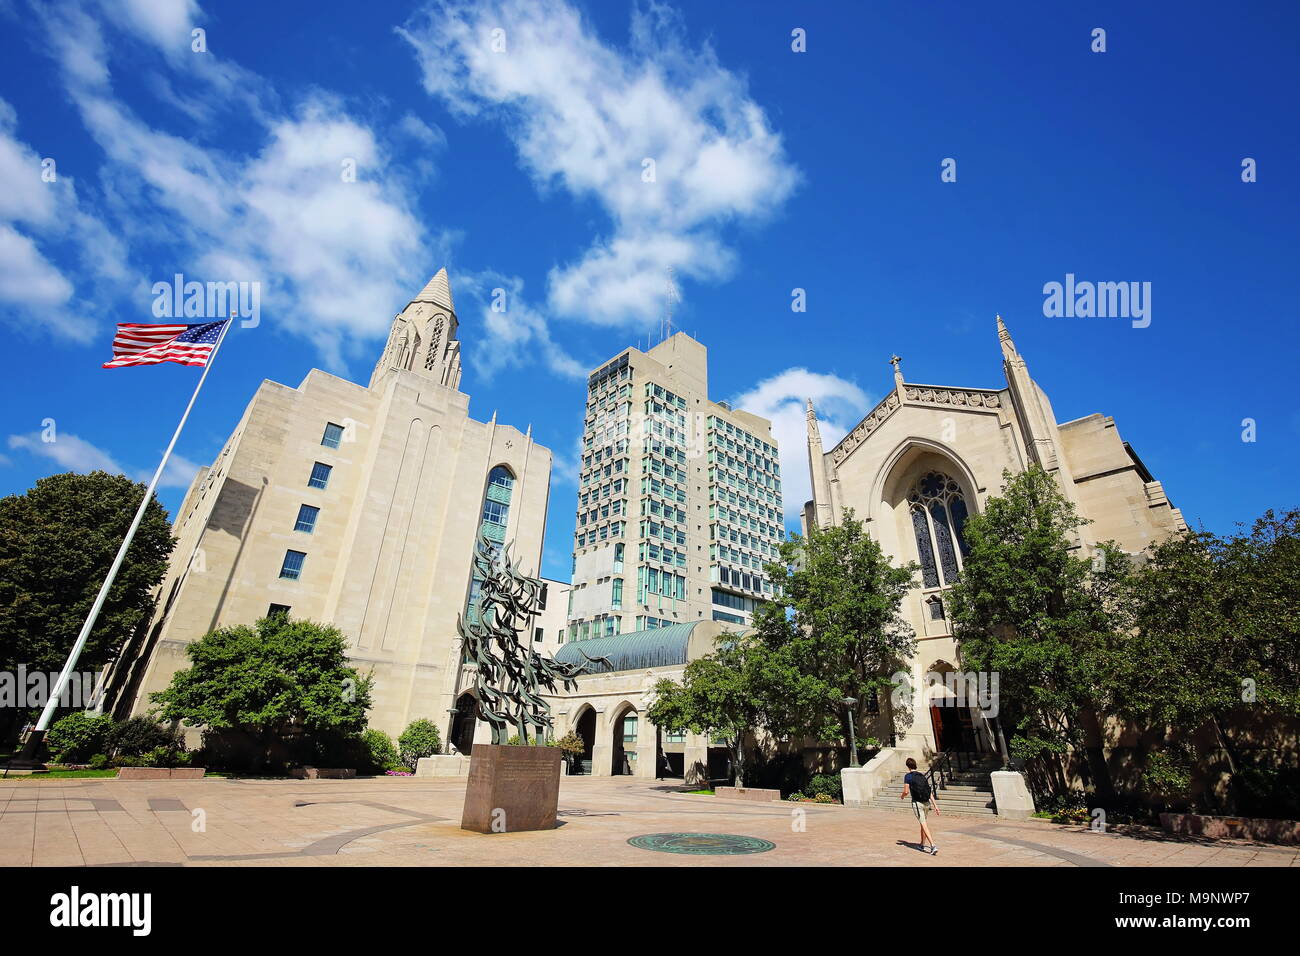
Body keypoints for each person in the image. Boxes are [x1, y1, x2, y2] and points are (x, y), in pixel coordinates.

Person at [900, 757, 941, 855]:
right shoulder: (922, 776)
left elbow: (906, 791)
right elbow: (929, 791)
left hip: (917, 803)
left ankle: (933, 845)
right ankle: (922, 844)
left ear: (908, 766)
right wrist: (935, 806)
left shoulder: (908, 776)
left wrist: (902, 796)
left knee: (924, 824)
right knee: (923, 823)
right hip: (926, 803)